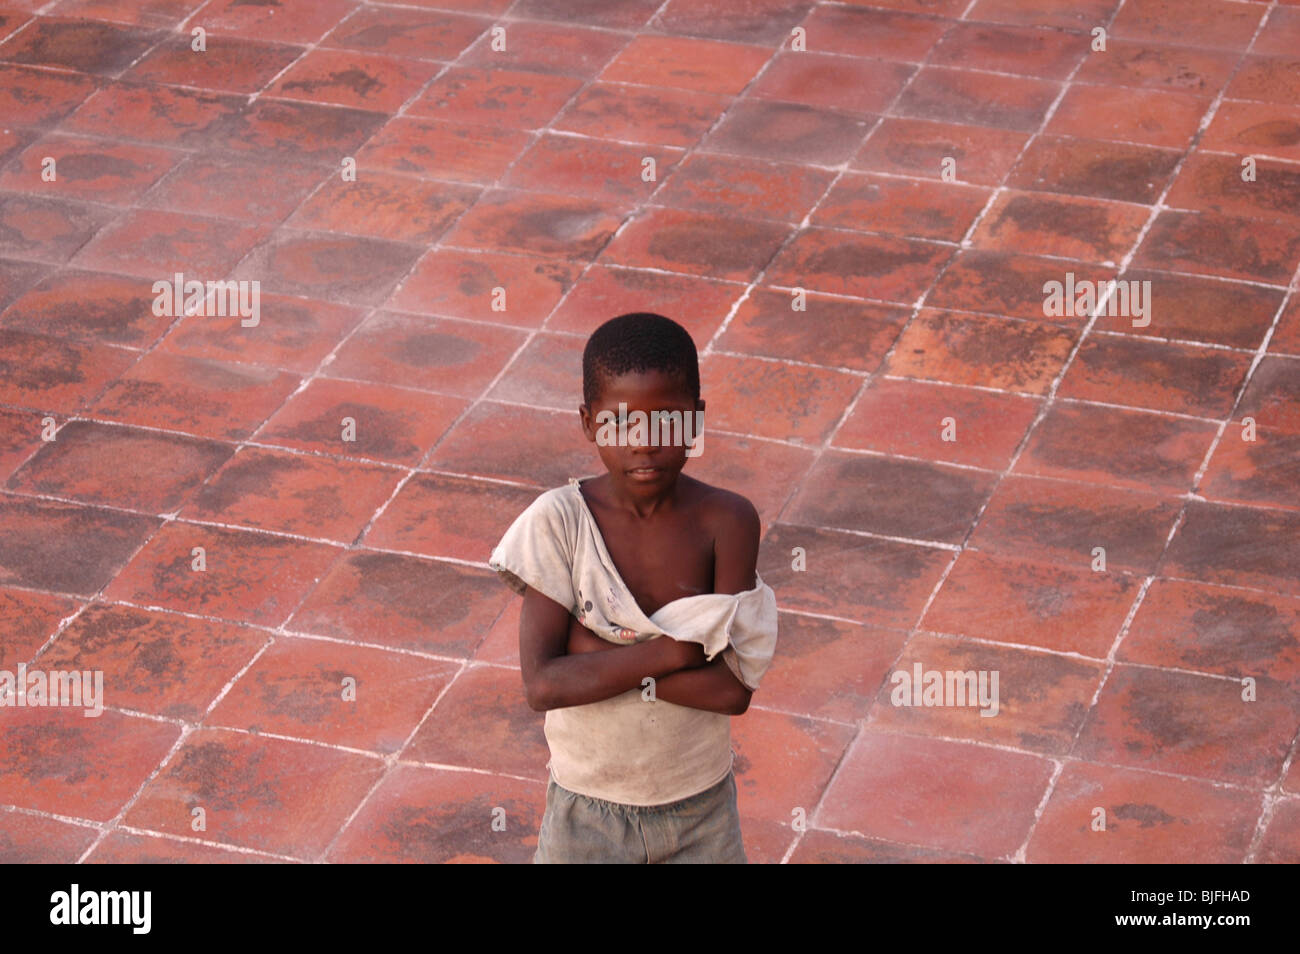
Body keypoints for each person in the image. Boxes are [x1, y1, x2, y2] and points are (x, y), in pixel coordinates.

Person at [489, 312, 778, 864]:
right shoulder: (558, 523)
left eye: (666, 423)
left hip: (700, 808)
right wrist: (674, 652)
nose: (644, 444)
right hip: (585, 811)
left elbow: (731, 692)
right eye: (620, 424)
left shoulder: (727, 522)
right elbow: (544, 686)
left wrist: (592, 653)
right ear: (587, 423)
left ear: (695, 422)